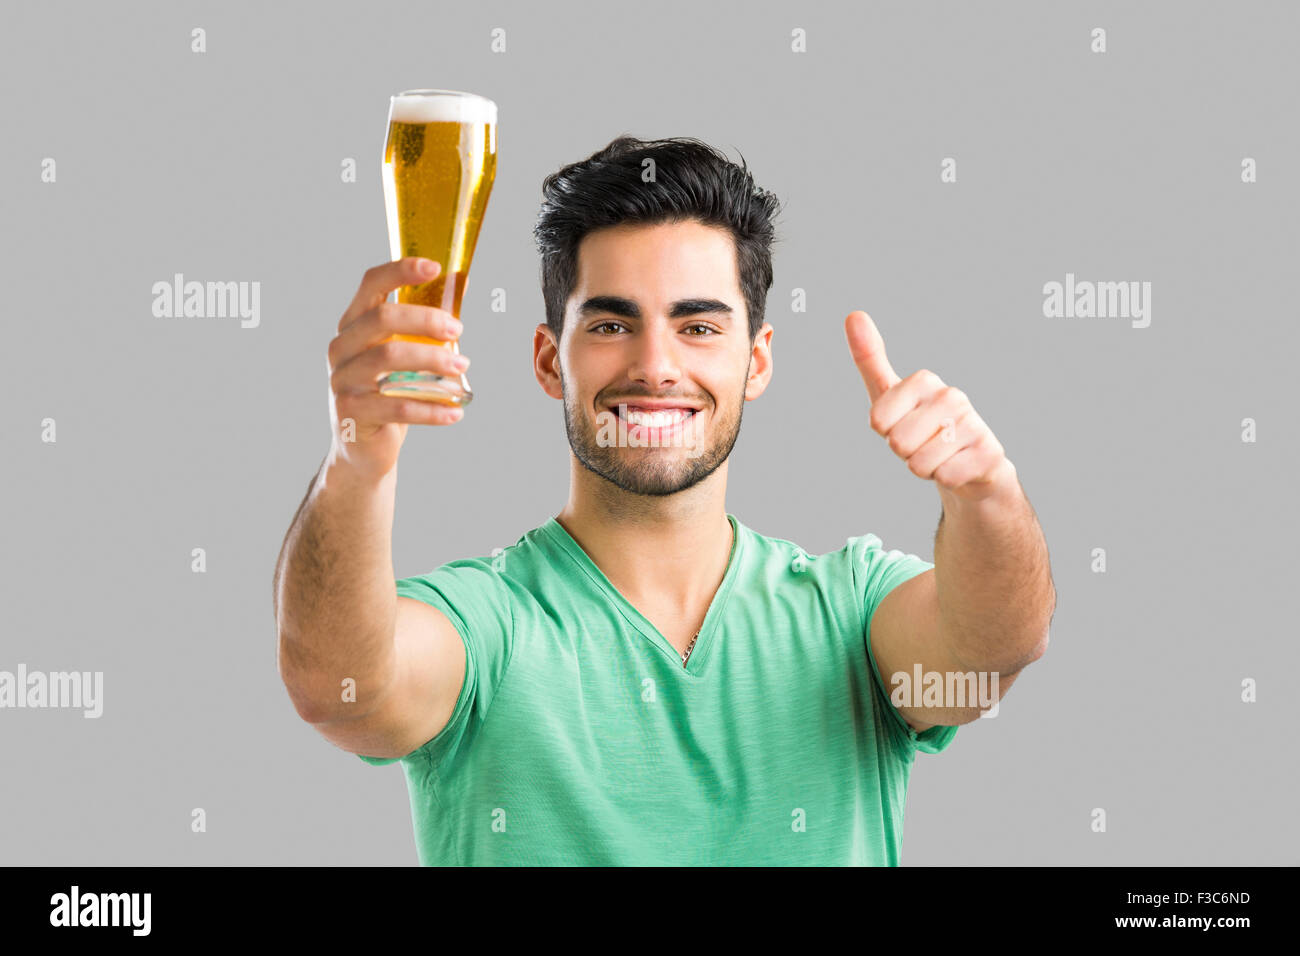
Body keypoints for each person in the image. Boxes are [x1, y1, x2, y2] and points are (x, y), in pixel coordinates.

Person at [273, 136, 1056, 866]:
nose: (655, 366)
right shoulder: (490, 624)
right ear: (549, 361)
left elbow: (991, 651)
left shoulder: (848, 610)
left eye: (699, 327)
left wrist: (987, 496)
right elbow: (342, 691)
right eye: (612, 324)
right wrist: (357, 462)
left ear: (756, 362)